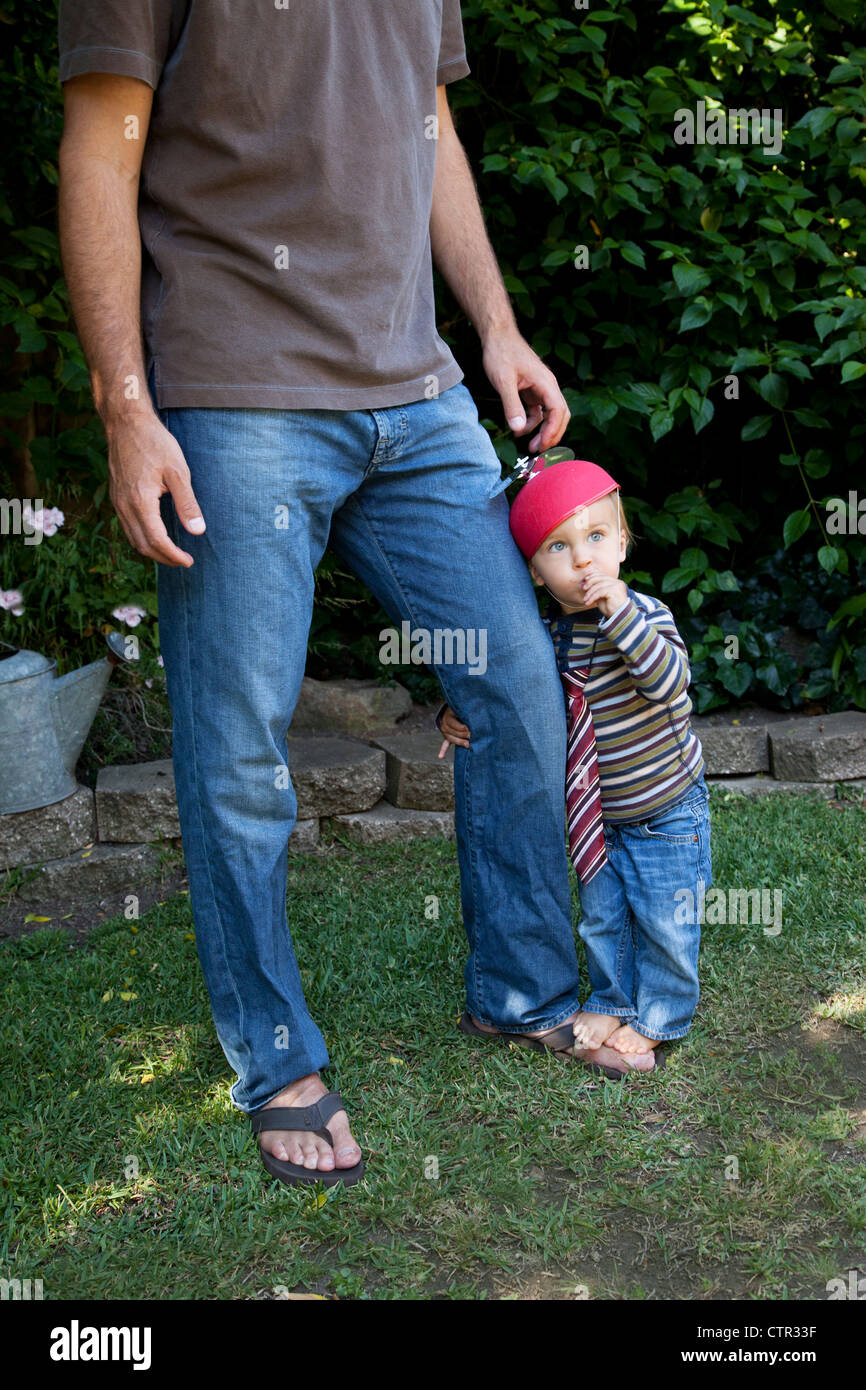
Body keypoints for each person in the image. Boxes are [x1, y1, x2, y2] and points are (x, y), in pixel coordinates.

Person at [56, 1, 629, 1189]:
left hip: (417, 398)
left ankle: (520, 989)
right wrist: (126, 403)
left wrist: (497, 326)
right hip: (236, 389)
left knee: (518, 677)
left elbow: (427, 120)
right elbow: (99, 144)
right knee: (239, 746)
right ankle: (277, 1062)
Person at [437, 457, 713, 1069]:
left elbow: (669, 685)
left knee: (666, 923)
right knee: (604, 918)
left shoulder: (646, 616)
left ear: (622, 540)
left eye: (595, 537)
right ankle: (613, 1000)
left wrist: (620, 614)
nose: (582, 559)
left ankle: (662, 1017)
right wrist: (453, 716)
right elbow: (519, 696)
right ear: (534, 573)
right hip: (599, 814)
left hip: (666, 807)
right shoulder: (545, 637)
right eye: (558, 548)